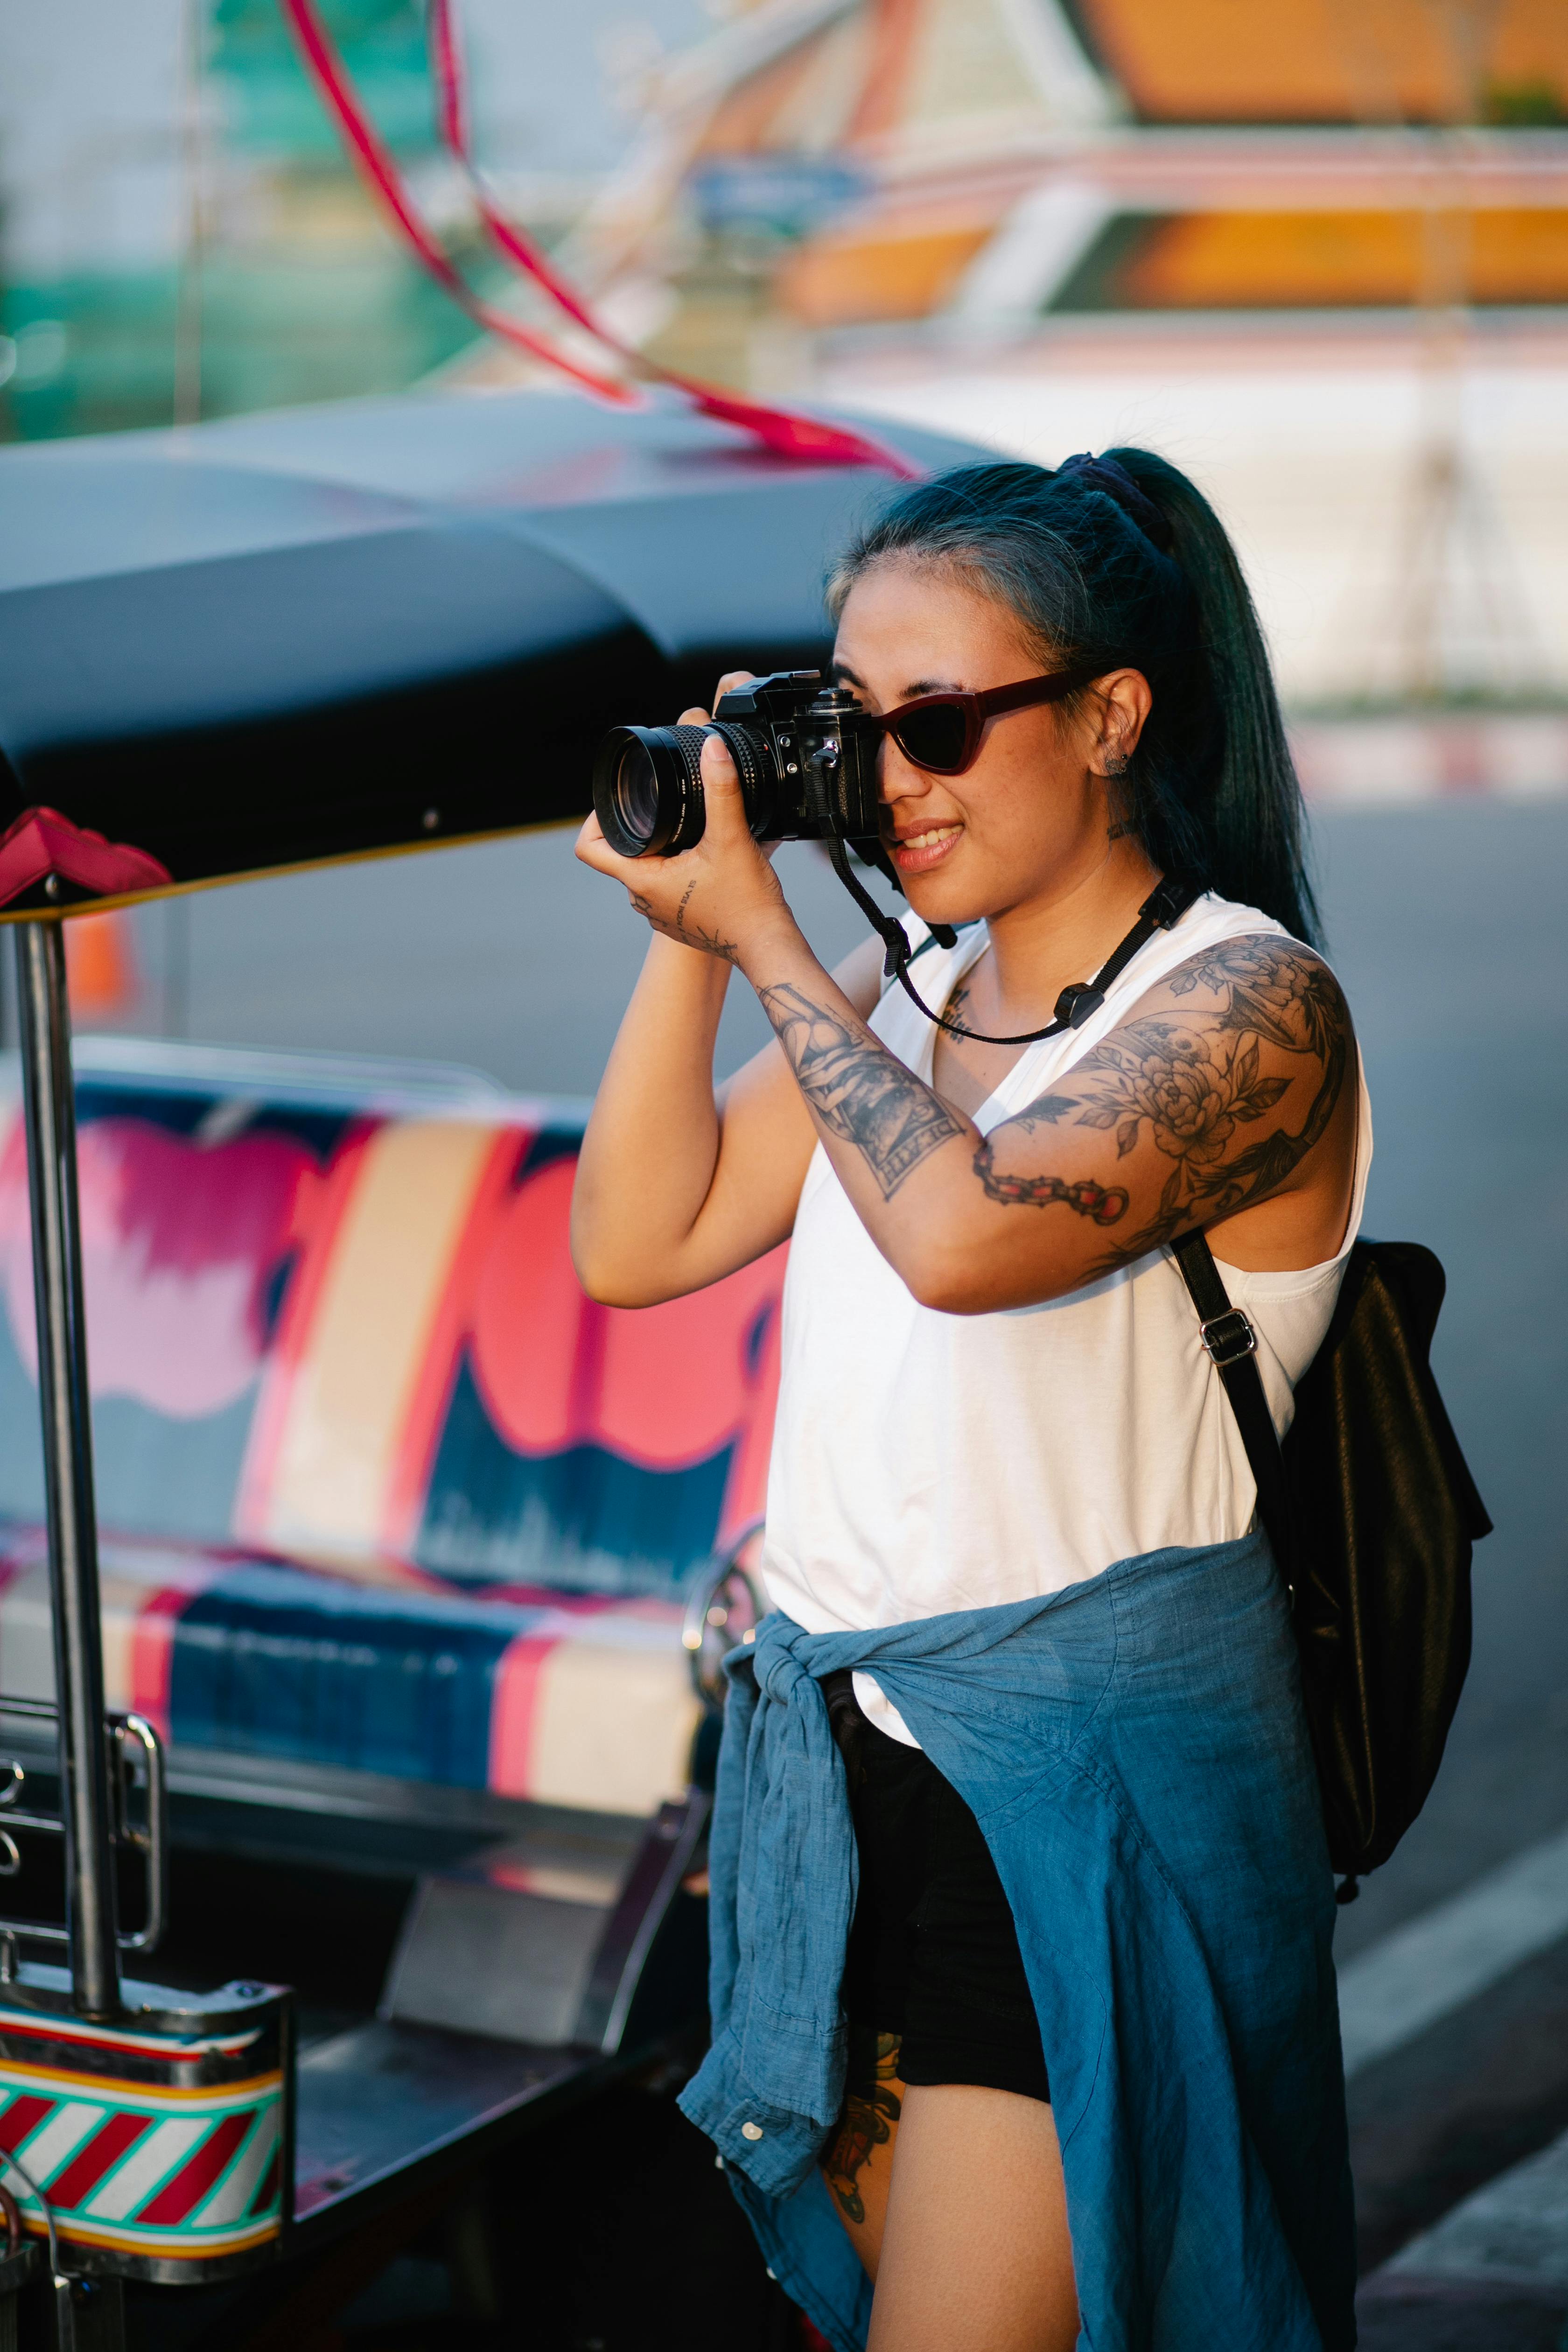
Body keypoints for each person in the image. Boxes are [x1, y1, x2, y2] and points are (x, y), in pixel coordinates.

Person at [571, 452, 1365, 2352]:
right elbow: (641, 1237)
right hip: (860, 1774)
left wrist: (770, 938)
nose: (892, 782)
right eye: (857, 730)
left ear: (1109, 716)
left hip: (1082, 1798)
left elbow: (966, 1235)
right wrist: (694, 938)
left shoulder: (1250, 1010)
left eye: (936, 725)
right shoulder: (907, 986)